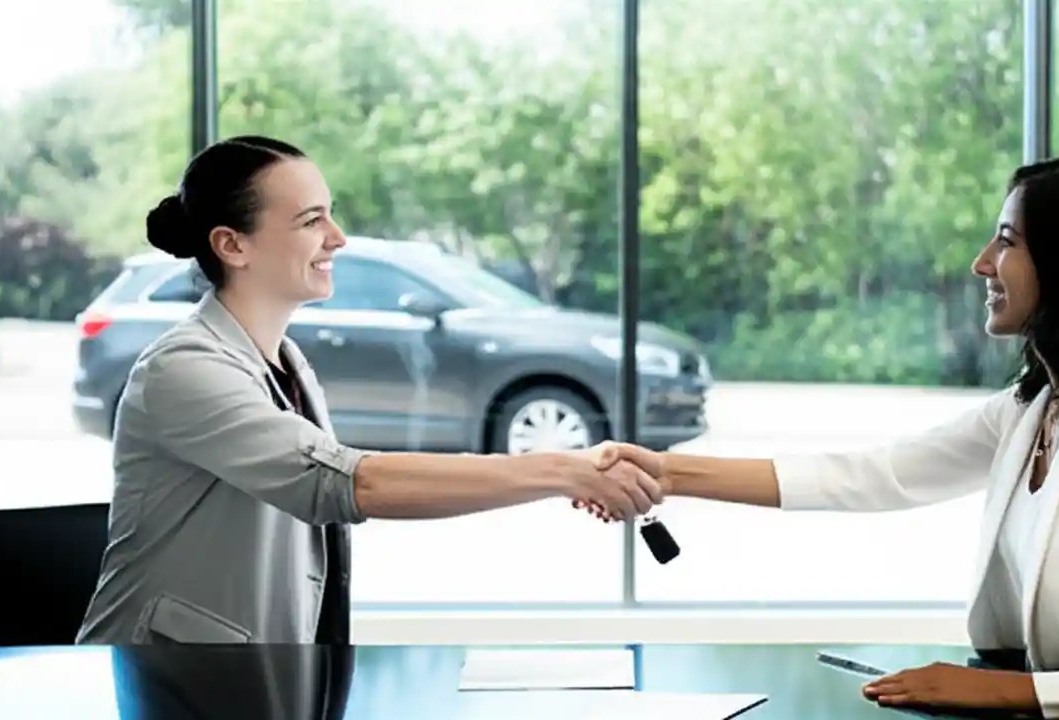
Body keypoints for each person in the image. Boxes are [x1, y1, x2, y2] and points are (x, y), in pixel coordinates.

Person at [586, 158, 1059, 718]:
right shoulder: (1035, 411)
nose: (981, 263)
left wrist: (1011, 692)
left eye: (1007, 242)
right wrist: (668, 474)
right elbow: (876, 475)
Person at [75, 135, 663, 645]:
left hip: (250, 675)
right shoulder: (185, 370)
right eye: (311, 221)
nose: (338, 238)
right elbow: (347, 482)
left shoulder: (285, 362)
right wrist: (563, 471)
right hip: (161, 678)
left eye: (330, 215)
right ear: (233, 245)